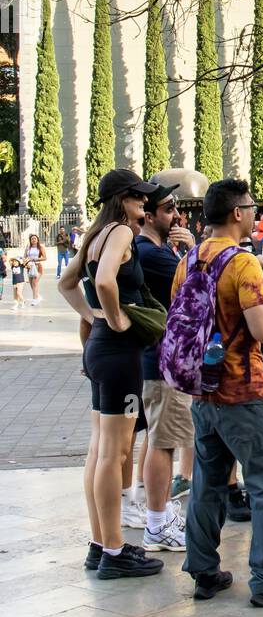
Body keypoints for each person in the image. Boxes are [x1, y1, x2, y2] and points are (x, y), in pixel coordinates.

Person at [173, 179, 263, 605]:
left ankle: (204, 571)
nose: (254, 212)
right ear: (237, 213)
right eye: (251, 207)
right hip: (246, 392)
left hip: (203, 394)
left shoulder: (190, 259)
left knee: (208, 484)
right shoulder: (243, 264)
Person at [58, 169, 165, 580]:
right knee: (115, 454)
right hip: (119, 353)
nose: (145, 202)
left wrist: (93, 317)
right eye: (140, 196)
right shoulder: (119, 231)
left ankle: (100, 544)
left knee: (99, 450)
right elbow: (104, 280)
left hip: (100, 349)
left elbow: (68, 283)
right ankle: (115, 551)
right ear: (123, 198)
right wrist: (117, 318)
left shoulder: (95, 235)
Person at [135, 181, 195, 552]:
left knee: (160, 439)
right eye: (169, 208)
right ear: (151, 214)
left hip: (161, 359)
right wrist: (191, 249)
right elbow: (195, 283)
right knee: (163, 443)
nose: (176, 215)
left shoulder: (153, 250)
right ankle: (157, 524)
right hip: (162, 361)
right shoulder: (152, 253)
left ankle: (157, 515)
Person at [24, 234, 46, 304]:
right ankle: (38, 296)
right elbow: (24, 256)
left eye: (35, 238)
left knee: (35, 283)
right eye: (32, 239)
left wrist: (35, 259)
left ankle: (35, 300)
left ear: (37, 240)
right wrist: (26, 262)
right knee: (31, 284)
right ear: (30, 240)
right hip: (30, 267)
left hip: (37, 266)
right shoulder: (28, 247)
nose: (33, 240)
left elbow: (45, 258)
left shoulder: (41, 247)